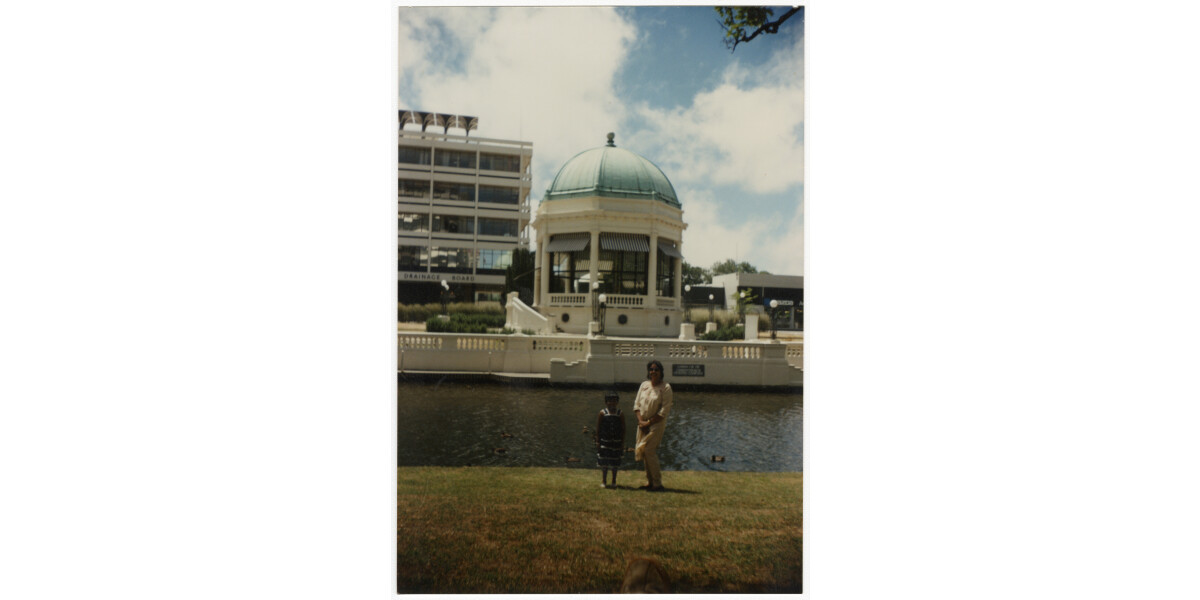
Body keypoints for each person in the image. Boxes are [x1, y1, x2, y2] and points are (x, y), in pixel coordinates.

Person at [633, 359, 673, 491]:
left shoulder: (666, 388)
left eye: (656, 369)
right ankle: (649, 482)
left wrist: (648, 423)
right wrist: (641, 422)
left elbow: (664, 411)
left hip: (656, 424)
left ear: (661, 372)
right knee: (644, 452)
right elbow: (637, 405)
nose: (653, 372)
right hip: (642, 424)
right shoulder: (644, 385)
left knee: (649, 450)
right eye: (651, 369)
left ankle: (657, 483)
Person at [594, 390, 626, 489]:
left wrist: (622, 442)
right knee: (604, 463)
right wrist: (598, 441)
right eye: (610, 401)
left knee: (615, 463)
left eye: (614, 401)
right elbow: (598, 428)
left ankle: (614, 481)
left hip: (616, 442)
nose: (612, 403)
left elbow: (623, 428)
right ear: (606, 402)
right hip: (605, 441)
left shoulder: (620, 413)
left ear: (617, 402)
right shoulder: (602, 413)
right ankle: (604, 481)